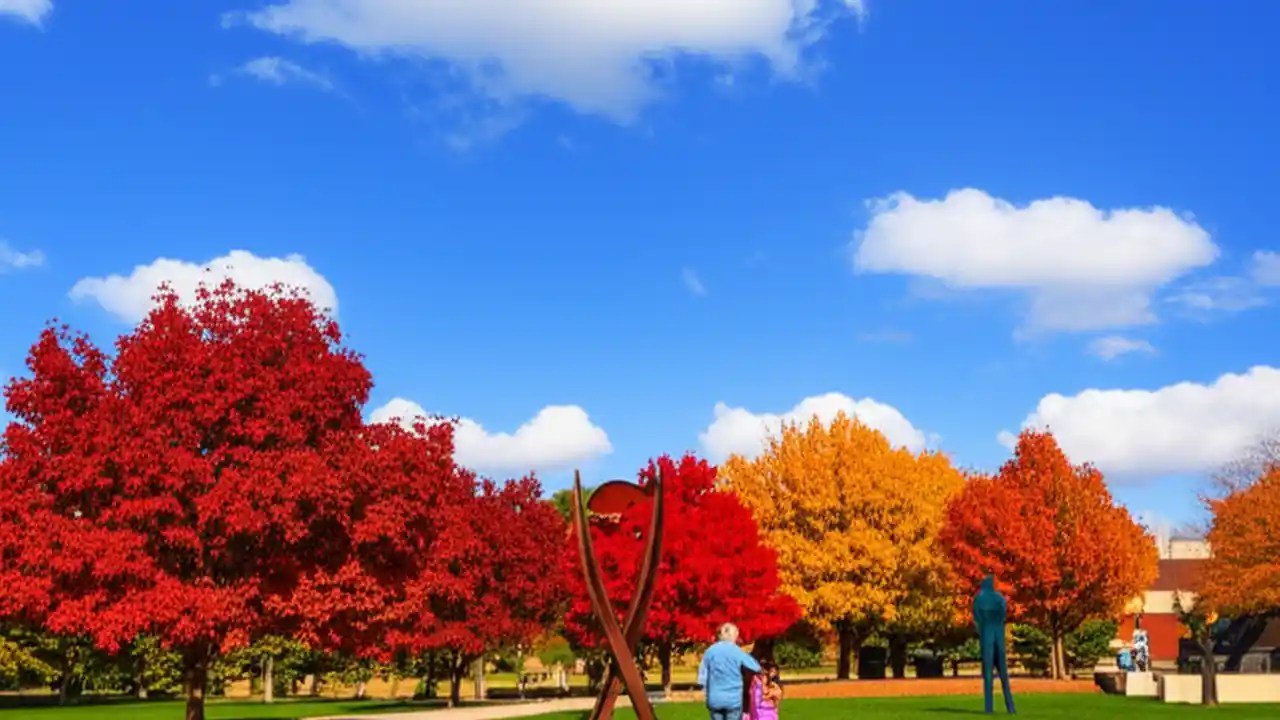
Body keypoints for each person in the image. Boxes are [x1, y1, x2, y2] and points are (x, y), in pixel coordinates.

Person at [697, 623, 761, 720]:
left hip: (715, 699)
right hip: (733, 700)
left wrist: (706, 693)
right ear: (734, 635)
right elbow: (755, 667)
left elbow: (702, 676)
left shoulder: (710, 651)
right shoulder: (737, 651)